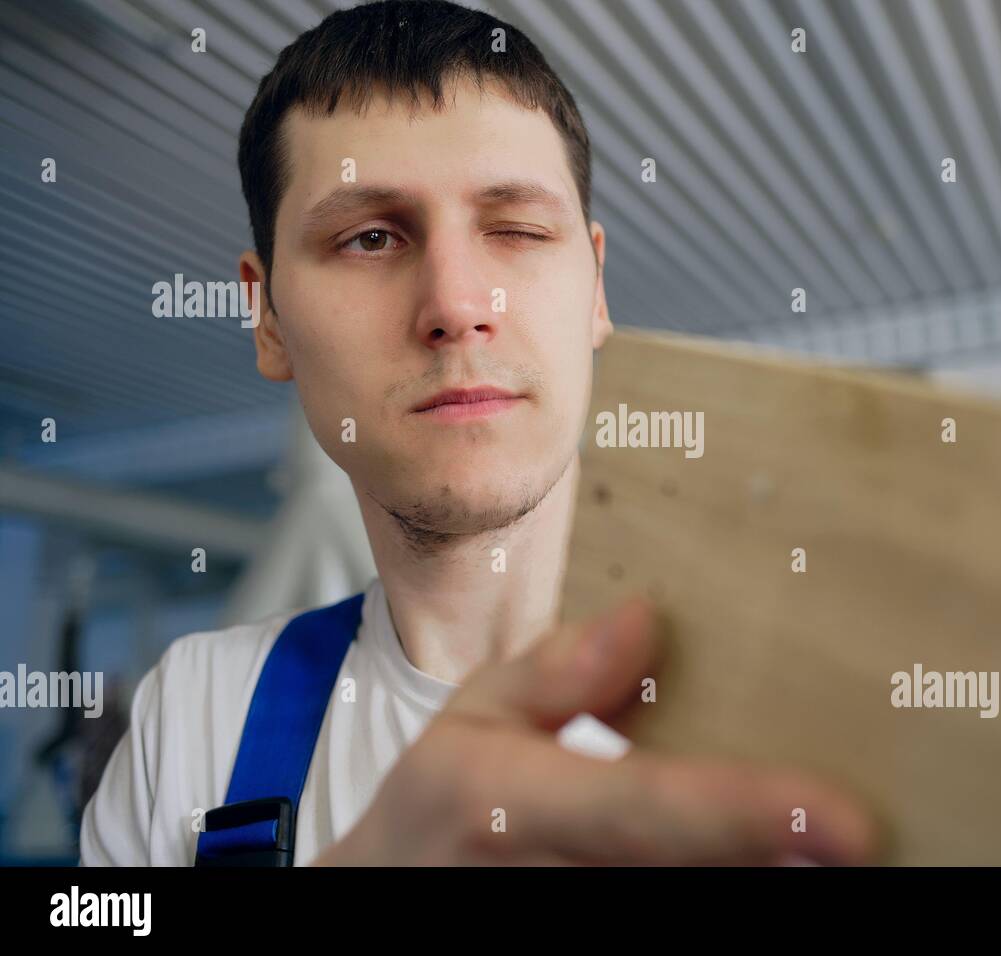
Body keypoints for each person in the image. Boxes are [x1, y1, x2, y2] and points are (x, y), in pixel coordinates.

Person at [79, 0, 875, 866]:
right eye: (371, 237)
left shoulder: (822, 713)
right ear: (267, 317)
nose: (458, 305)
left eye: (517, 229)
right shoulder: (194, 720)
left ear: (596, 289)